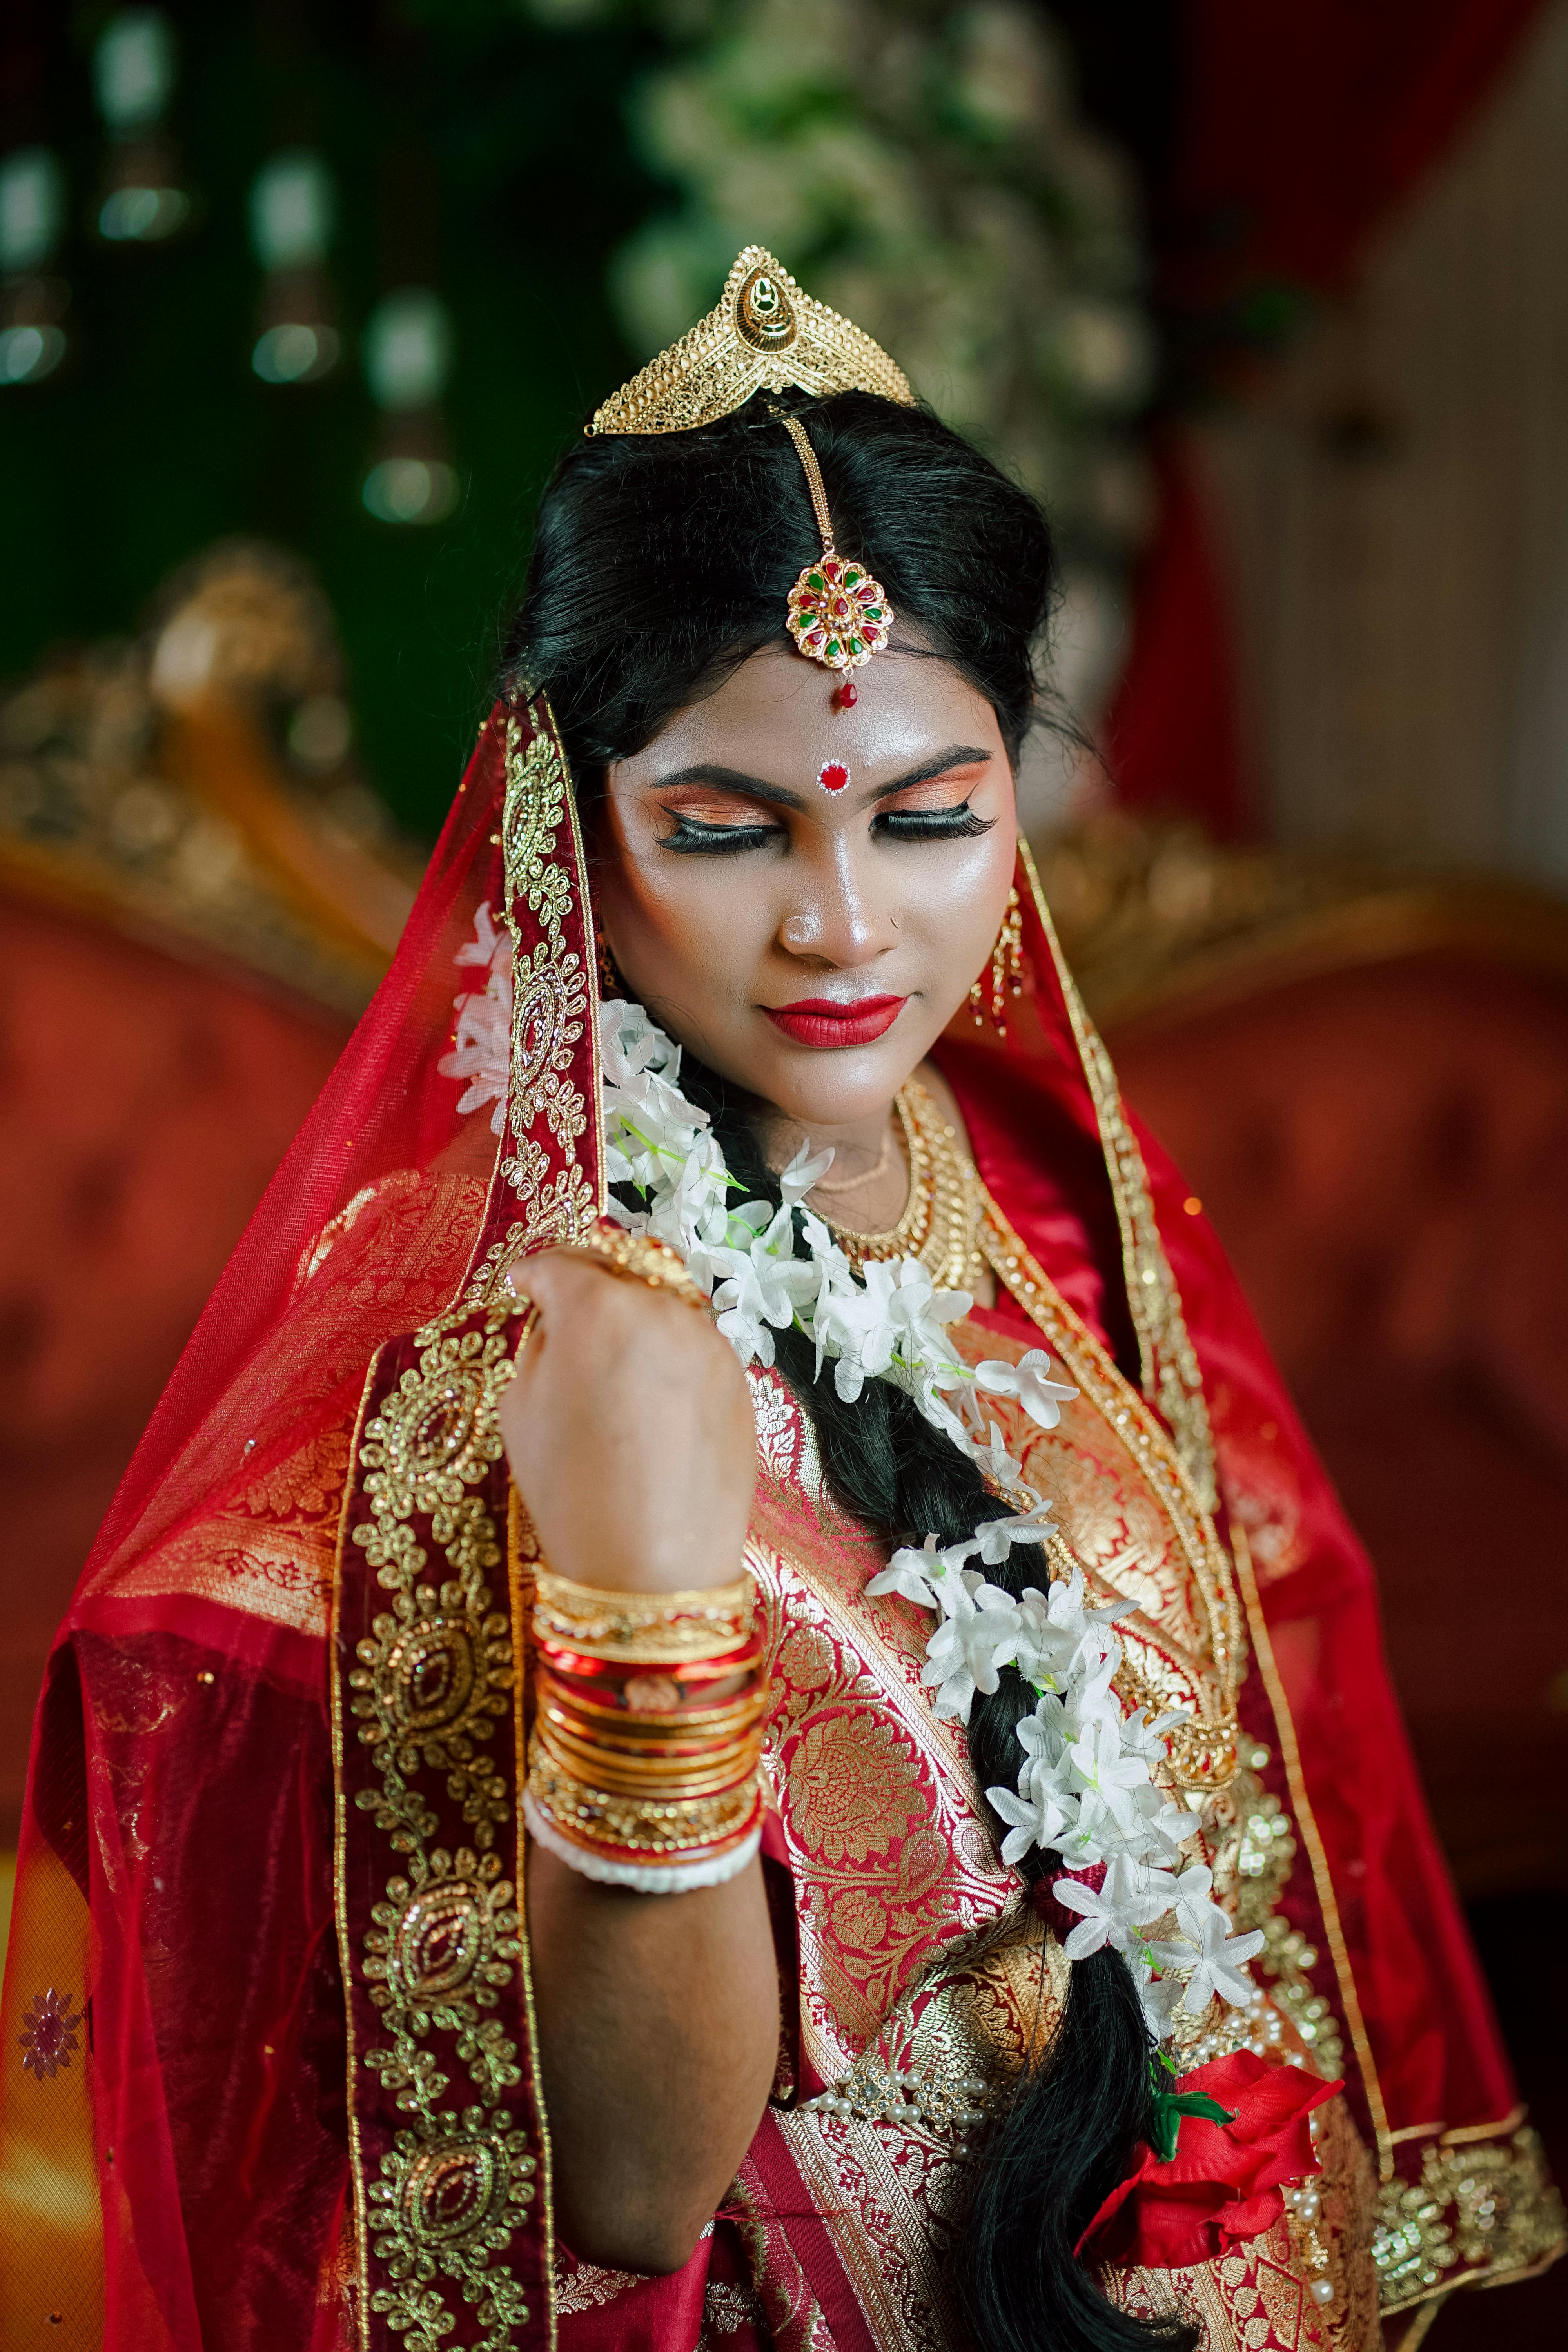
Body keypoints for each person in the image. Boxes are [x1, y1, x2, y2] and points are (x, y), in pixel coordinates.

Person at [0, 248, 1560, 2352]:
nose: (845, 928)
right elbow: (632, 2190)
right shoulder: (505, 1362)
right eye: (728, 831)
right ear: (572, 830)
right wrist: (645, 1578)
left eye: (930, 818)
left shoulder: (1036, 1199)